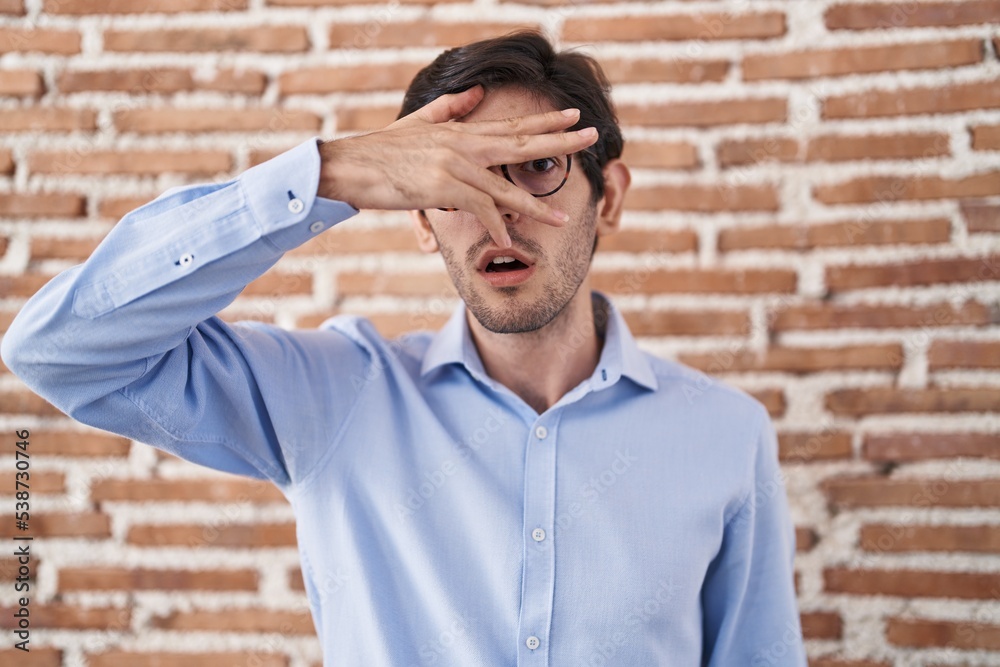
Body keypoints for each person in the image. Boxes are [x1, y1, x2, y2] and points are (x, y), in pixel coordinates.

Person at [2, 31, 806, 666]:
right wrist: (331, 170)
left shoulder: (725, 435)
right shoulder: (334, 396)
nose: (500, 213)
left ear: (612, 196)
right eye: (461, 179)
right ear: (421, 218)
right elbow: (60, 349)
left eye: (539, 168)